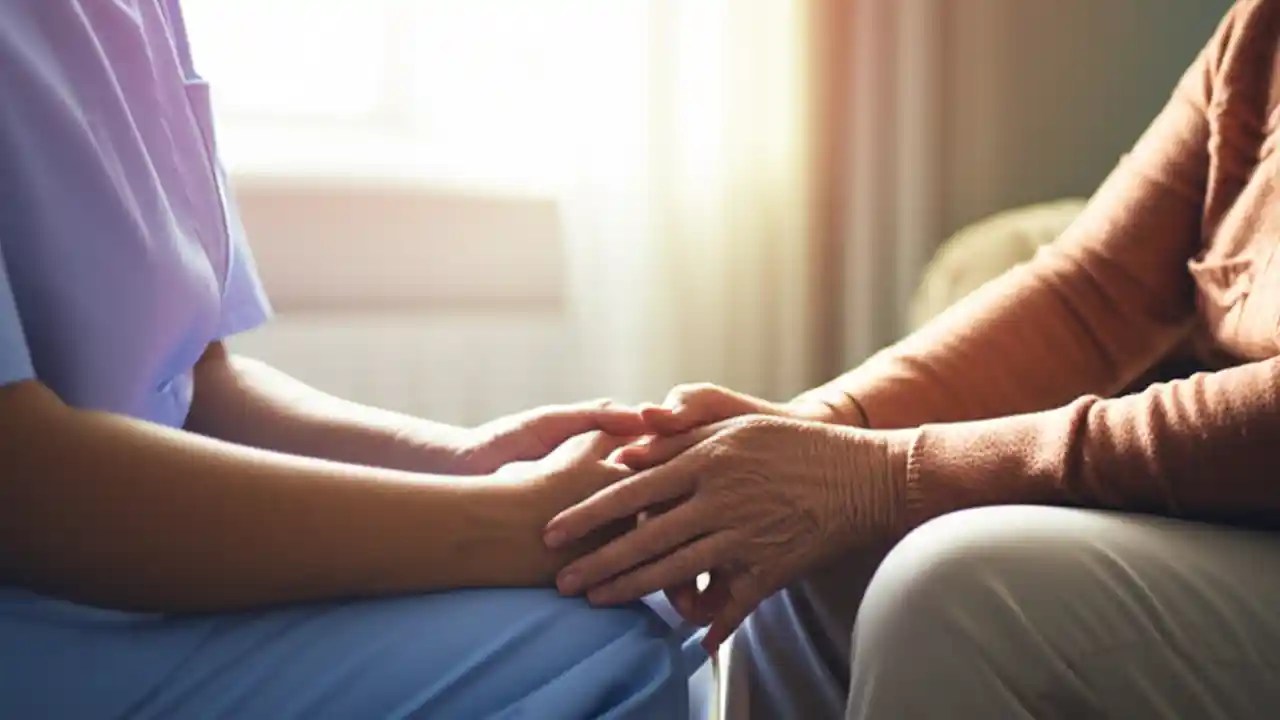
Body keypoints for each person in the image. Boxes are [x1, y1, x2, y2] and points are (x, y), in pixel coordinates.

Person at [545, 0, 1280, 717]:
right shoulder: (1260, 31)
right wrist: (814, 435)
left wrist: (887, 475)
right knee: (806, 559)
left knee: (955, 594)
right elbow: (1093, 295)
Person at [0, 2, 700, 717]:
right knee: (602, 652)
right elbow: (22, 480)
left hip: (120, 589)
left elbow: (190, 381)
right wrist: (513, 521)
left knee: (648, 615)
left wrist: (463, 459)